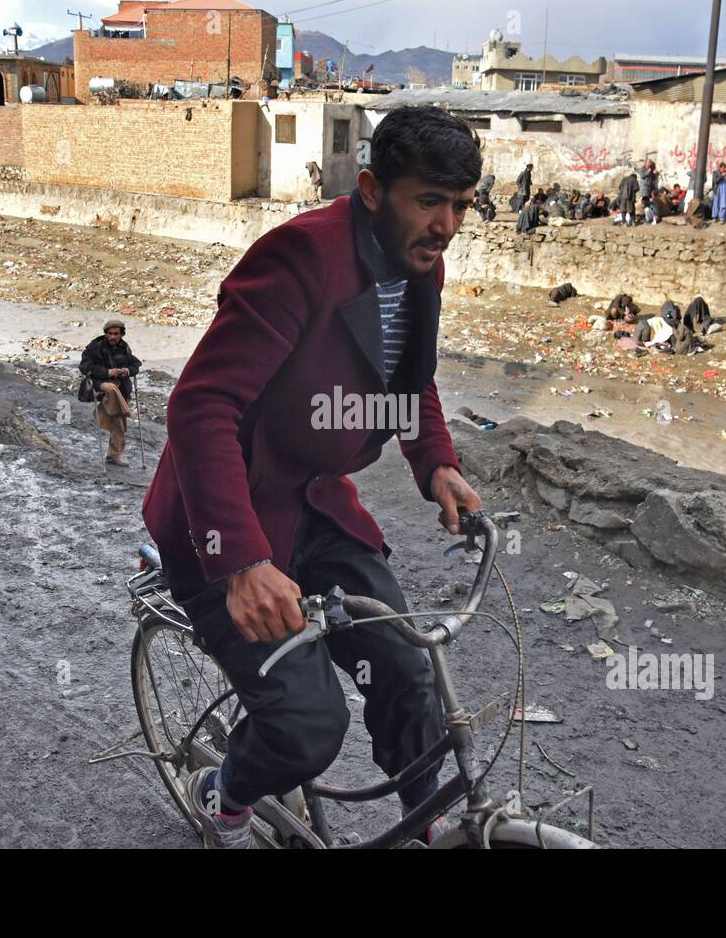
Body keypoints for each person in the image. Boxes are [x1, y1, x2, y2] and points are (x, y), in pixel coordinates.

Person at [142, 105, 483, 849]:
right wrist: (241, 562)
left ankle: (423, 820)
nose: (447, 225)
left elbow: (408, 374)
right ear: (370, 189)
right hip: (229, 510)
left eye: (459, 205)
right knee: (309, 725)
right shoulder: (300, 256)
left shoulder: (421, 260)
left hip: (319, 505)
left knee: (406, 665)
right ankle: (222, 793)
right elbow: (201, 405)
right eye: (429, 201)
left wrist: (437, 463)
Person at [80, 319, 142, 467]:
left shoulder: (124, 348)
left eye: (116, 334)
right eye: (109, 333)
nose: (112, 336)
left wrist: (127, 370)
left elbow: (136, 365)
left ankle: (113, 455)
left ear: (121, 334)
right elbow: (84, 367)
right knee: (111, 390)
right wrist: (108, 372)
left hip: (121, 387)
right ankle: (126, 411)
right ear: (105, 333)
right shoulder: (94, 347)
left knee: (118, 423)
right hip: (100, 384)